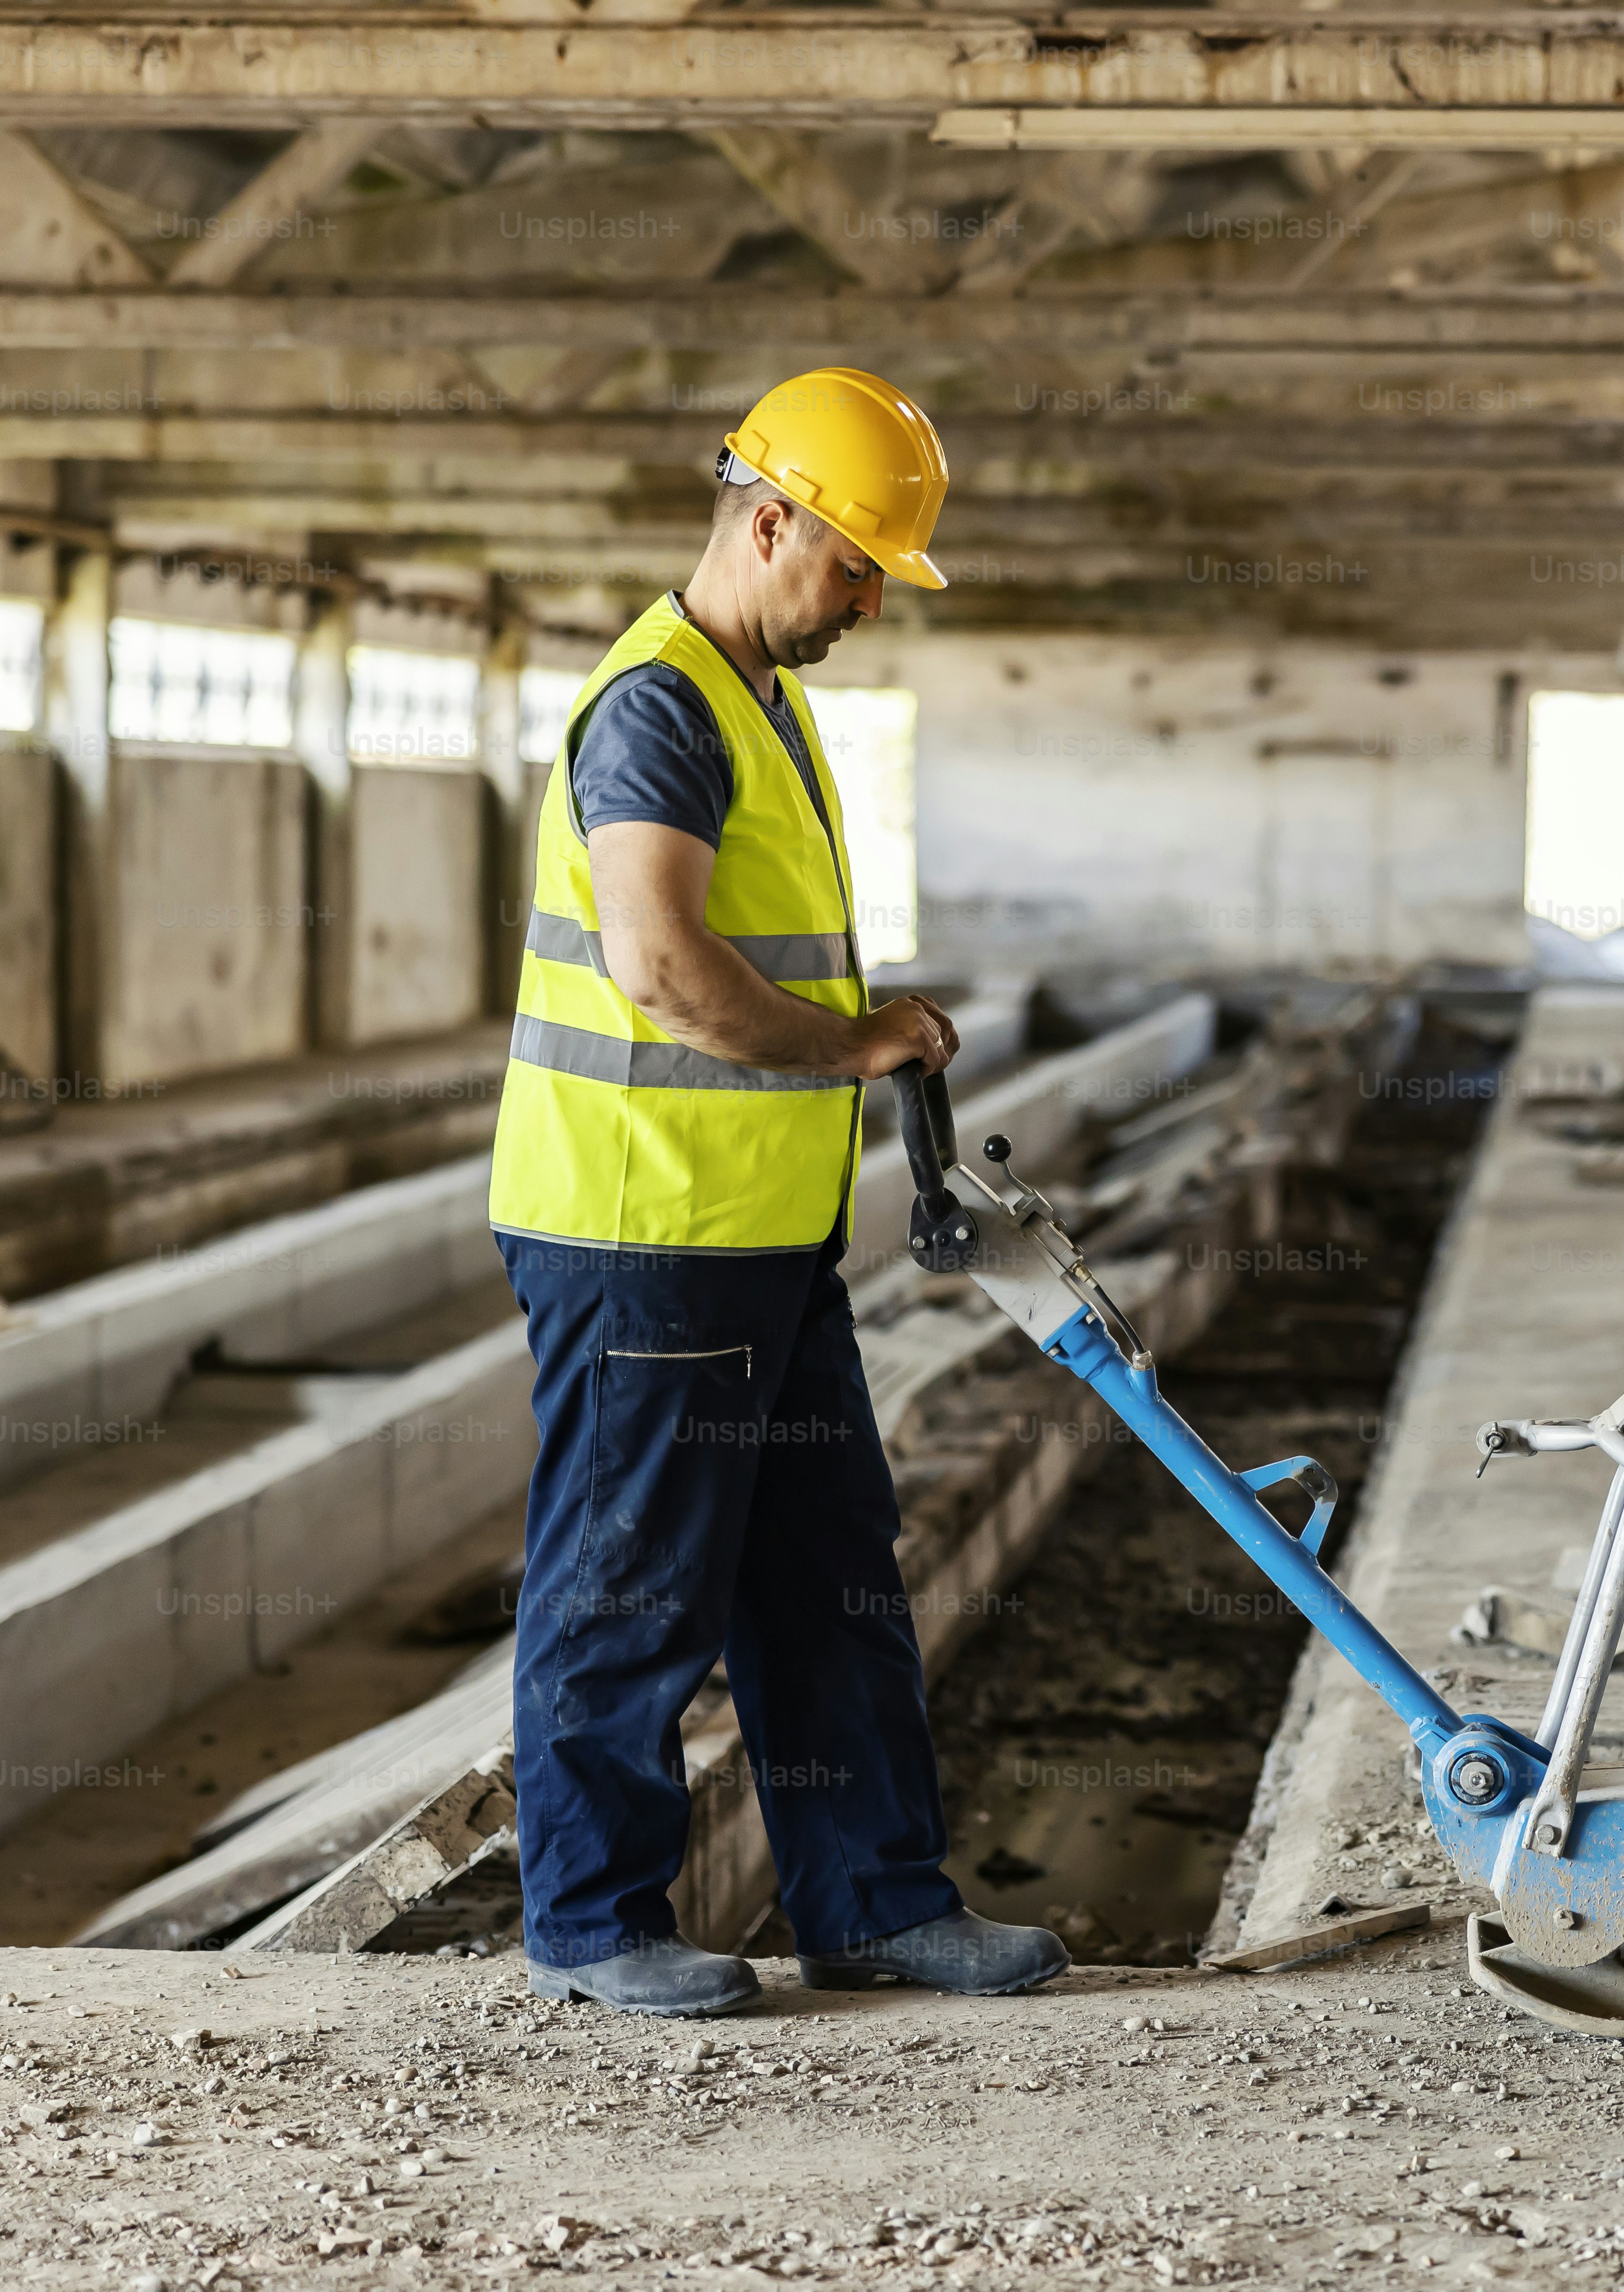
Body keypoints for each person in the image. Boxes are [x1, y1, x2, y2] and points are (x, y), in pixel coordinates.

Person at [487, 366, 1066, 2017]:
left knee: (827, 1578)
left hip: (752, 1240)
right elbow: (663, 968)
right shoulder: (660, 705)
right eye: (858, 564)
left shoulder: (759, 695)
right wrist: (856, 1046)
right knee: (631, 1584)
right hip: (645, 1232)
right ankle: (593, 1923)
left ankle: (873, 1904)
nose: (872, 601)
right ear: (767, 522)